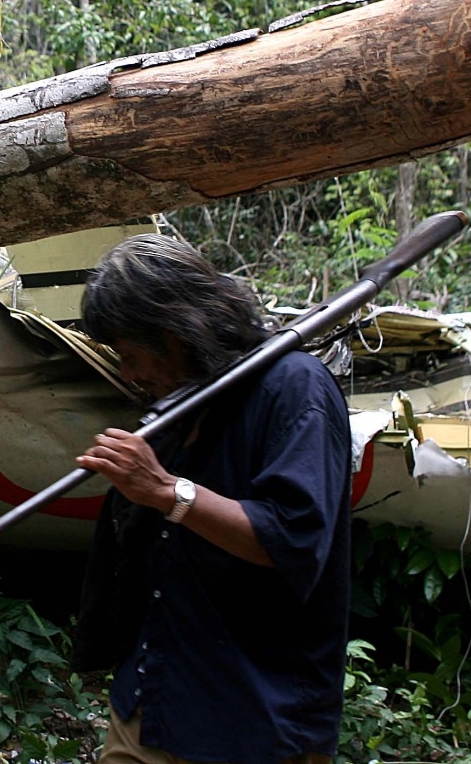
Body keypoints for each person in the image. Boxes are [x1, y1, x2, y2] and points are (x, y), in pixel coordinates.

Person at [72, 235, 349, 764]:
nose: (128, 374)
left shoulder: (294, 389)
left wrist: (164, 491)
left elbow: (289, 537)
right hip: (151, 700)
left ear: (175, 332)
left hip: (255, 718)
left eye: (132, 355)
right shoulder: (182, 404)